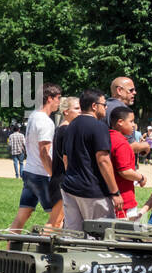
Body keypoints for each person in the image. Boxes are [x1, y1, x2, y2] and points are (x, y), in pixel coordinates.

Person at [58, 89, 123, 230]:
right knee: (99, 237)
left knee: (73, 236)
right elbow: (103, 160)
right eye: (104, 104)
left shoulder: (70, 126)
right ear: (94, 106)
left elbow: (65, 159)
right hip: (93, 192)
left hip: (70, 188)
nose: (106, 108)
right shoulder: (99, 127)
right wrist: (115, 192)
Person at [9, 84, 61, 230]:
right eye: (58, 98)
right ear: (50, 98)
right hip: (42, 175)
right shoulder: (45, 121)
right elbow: (44, 152)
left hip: (30, 172)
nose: (59, 102)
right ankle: (46, 250)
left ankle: (9, 249)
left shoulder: (33, 116)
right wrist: (53, 175)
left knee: (21, 217)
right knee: (57, 218)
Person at [47, 96, 80, 228]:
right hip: (62, 180)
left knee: (60, 223)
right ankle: (41, 246)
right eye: (77, 108)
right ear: (66, 111)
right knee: (55, 222)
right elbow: (66, 158)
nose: (80, 111)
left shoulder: (63, 129)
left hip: (60, 179)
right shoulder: (66, 130)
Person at [108, 104, 146, 218]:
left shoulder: (107, 137)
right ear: (120, 122)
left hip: (109, 196)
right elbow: (124, 171)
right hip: (123, 200)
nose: (133, 125)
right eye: (131, 121)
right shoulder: (121, 143)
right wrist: (141, 178)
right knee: (126, 235)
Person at [108, 76, 151, 157]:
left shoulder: (103, 107)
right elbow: (128, 146)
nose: (135, 92)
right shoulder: (122, 110)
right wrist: (145, 146)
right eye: (131, 90)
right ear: (119, 90)